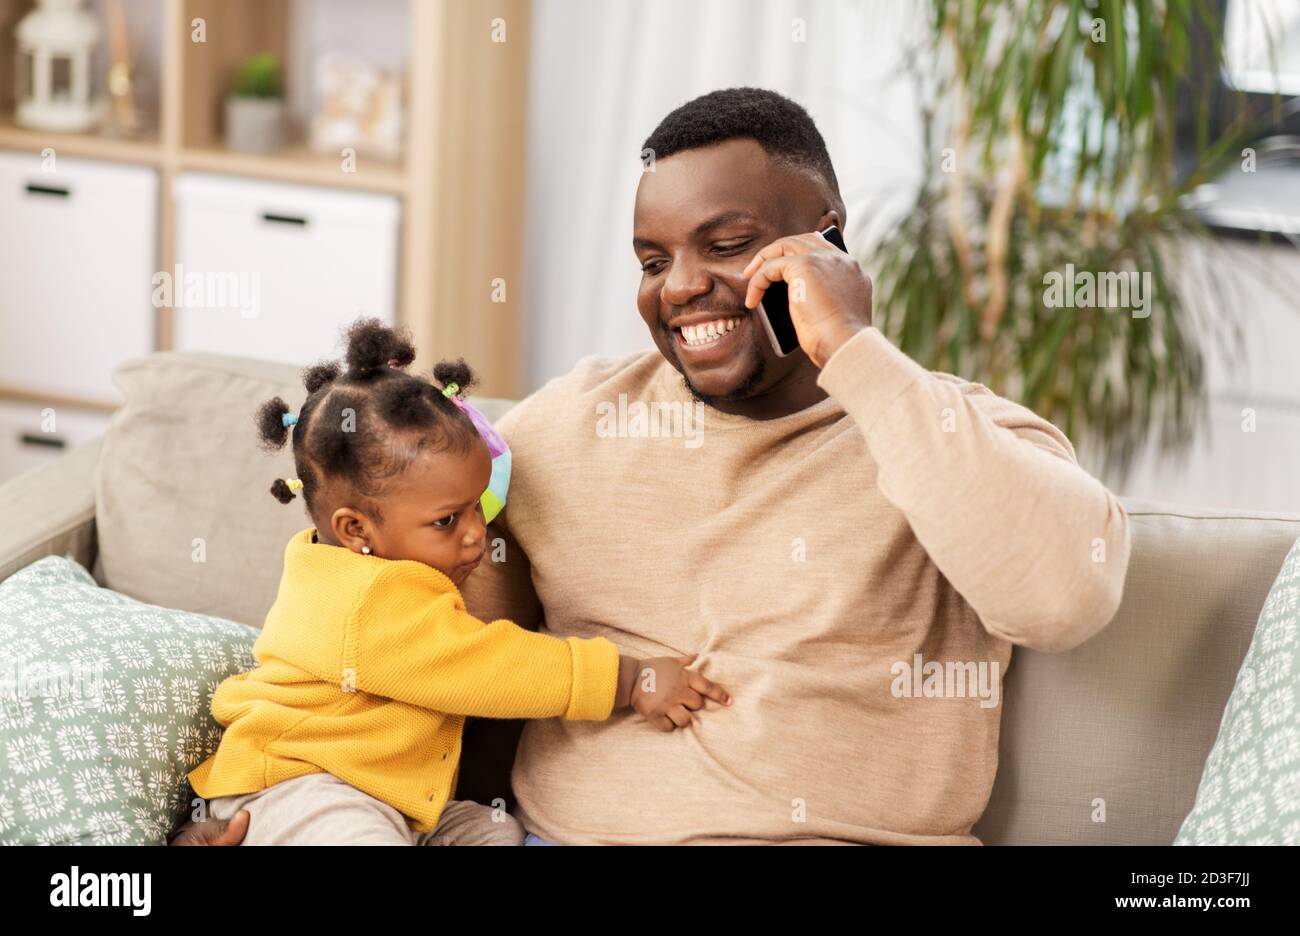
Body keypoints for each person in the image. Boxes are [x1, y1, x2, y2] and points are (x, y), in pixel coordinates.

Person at [182, 87, 1129, 846]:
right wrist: (257, 810)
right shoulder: (564, 429)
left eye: (726, 245)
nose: (679, 287)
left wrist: (856, 353)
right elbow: (378, 623)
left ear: (829, 239)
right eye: (652, 258)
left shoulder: (944, 430)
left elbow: (1064, 599)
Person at [180, 319, 730, 845]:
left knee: (494, 831)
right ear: (355, 529)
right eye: (447, 520)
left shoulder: (349, 565)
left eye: (479, 507)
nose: (476, 536)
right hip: (303, 783)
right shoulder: (371, 600)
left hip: (390, 793)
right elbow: (490, 666)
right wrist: (628, 678)